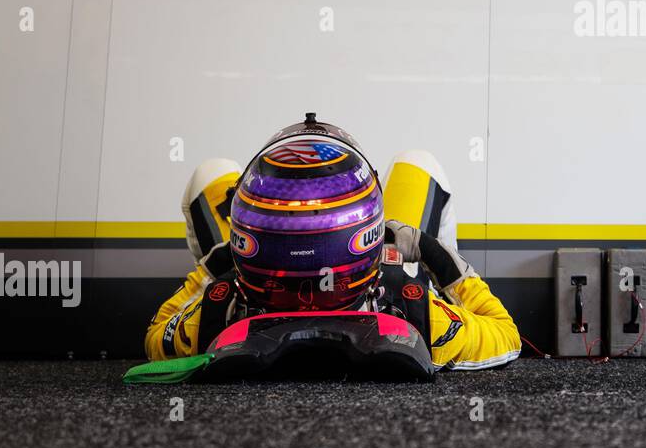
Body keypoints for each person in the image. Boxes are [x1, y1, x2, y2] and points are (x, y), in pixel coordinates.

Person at [145, 114, 520, 371]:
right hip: (388, 295)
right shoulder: (425, 318)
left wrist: (219, 264)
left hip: (246, 301)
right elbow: (505, 333)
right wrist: (429, 250)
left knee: (209, 172)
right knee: (417, 161)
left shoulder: (210, 320)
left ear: (247, 235)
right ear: (367, 233)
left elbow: (156, 331)